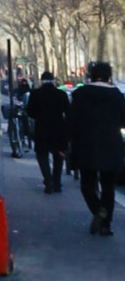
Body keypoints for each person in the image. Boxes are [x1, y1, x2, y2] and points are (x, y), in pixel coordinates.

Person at [65, 61, 125, 236]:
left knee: (87, 184)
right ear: (109, 76)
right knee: (108, 187)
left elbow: (71, 121)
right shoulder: (117, 96)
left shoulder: (80, 94)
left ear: (90, 76)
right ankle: (106, 226)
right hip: (111, 145)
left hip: (86, 144)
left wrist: (66, 143)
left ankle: (98, 209)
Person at [25, 71, 70, 194]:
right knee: (58, 157)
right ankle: (57, 182)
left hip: (42, 129)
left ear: (41, 80)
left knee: (42, 156)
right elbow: (68, 111)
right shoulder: (61, 94)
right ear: (53, 81)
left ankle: (48, 179)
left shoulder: (35, 94)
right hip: (58, 129)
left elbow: (30, 112)